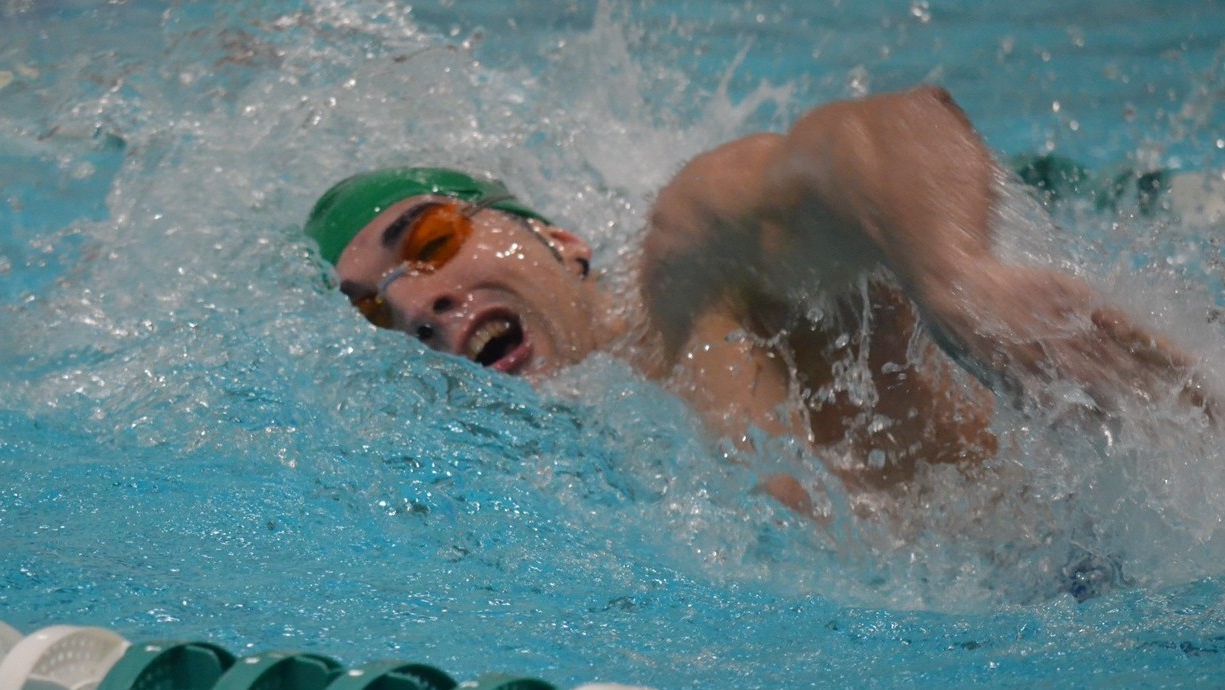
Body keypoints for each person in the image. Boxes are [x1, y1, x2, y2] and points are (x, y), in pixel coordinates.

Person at [304, 86, 1214, 515]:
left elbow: (871, 130)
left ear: (561, 240)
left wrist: (956, 277)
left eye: (431, 240)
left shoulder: (691, 277)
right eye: (375, 310)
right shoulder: (575, 473)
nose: (416, 304)